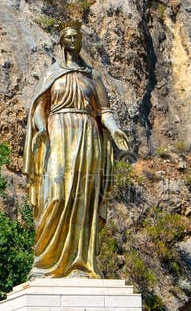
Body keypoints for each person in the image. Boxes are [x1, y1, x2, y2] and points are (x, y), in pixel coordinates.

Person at [23, 22, 129, 278]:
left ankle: (79, 264)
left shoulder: (92, 75)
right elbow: (39, 108)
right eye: (68, 37)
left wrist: (114, 129)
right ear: (61, 42)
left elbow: (104, 110)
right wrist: (41, 129)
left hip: (88, 134)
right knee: (57, 195)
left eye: (76, 36)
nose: (73, 40)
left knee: (84, 198)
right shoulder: (52, 73)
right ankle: (46, 263)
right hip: (58, 132)